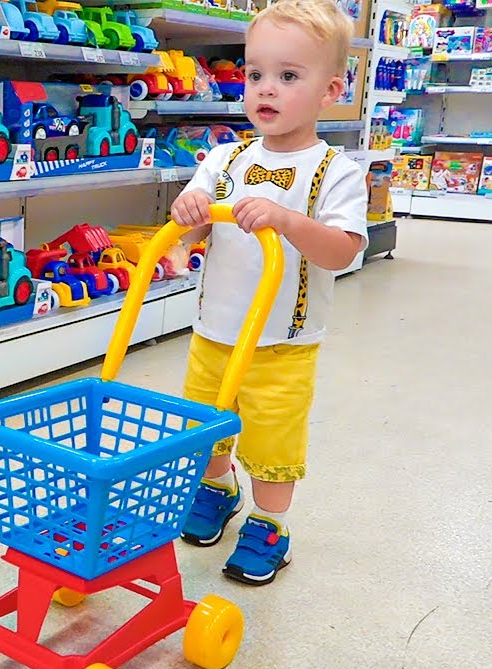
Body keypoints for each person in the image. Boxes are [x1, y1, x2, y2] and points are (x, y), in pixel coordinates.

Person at [169, 0, 368, 586]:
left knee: (272, 440)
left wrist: (287, 220)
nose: (266, 89)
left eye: (288, 76)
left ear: (331, 89)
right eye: (256, 73)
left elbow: (341, 250)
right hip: (213, 333)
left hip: (283, 343)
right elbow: (192, 225)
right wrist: (187, 220)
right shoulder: (224, 157)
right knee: (205, 427)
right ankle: (217, 489)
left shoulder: (337, 171)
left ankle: (269, 524)